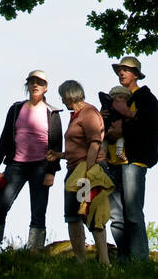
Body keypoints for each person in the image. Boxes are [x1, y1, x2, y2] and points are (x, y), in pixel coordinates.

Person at [0, 69, 63, 250]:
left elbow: (57, 145)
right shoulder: (16, 109)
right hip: (16, 165)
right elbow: (5, 138)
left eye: (40, 83)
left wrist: (51, 171)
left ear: (46, 88)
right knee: (1, 205)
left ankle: (34, 250)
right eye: (32, 82)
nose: (35, 85)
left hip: (41, 166)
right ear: (27, 86)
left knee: (38, 210)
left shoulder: (52, 112)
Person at [102, 56, 158, 260]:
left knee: (133, 212)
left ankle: (139, 259)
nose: (121, 72)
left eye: (126, 69)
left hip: (135, 160)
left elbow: (151, 128)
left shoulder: (146, 98)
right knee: (116, 216)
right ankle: (124, 258)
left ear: (136, 74)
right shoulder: (112, 100)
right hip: (113, 161)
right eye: (119, 69)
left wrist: (123, 129)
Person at [47, 79, 111, 265]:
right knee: (72, 215)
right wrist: (59, 155)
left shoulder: (89, 113)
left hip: (87, 170)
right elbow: (78, 148)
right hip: (74, 170)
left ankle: (104, 261)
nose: (62, 100)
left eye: (62, 97)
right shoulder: (75, 116)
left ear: (69, 95)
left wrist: (88, 173)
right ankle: (80, 261)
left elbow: (94, 144)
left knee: (91, 213)